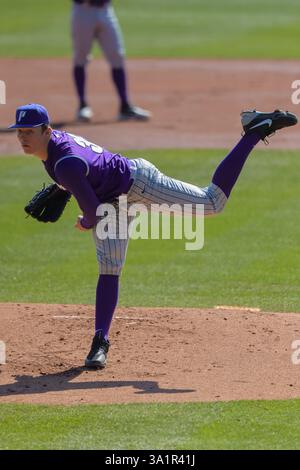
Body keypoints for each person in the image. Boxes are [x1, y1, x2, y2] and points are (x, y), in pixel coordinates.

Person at [9, 104, 297, 369]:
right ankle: (100, 341)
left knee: (212, 203)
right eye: (19, 132)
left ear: (46, 130)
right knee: (109, 267)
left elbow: (94, 212)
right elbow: (88, 166)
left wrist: (84, 221)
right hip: (114, 201)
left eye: (29, 132)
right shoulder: (55, 147)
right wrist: (66, 187)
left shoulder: (63, 164)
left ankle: (254, 130)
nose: (23, 137)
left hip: (140, 184)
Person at [71, 0, 151, 122]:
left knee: (117, 56)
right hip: (83, 11)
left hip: (105, 10)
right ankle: (82, 105)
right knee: (80, 58)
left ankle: (125, 107)